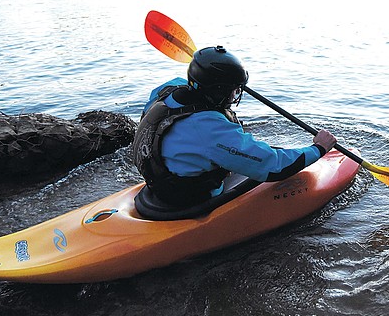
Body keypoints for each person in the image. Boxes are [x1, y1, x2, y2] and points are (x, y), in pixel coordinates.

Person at [131, 45, 336, 208]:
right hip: (187, 198)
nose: (234, 96)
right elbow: (275, 167)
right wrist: (318, 148)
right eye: (233, 92)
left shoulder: (166, 90)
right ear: (217, 92)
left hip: (159, 181)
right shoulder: (209, 128)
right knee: (272, 163)